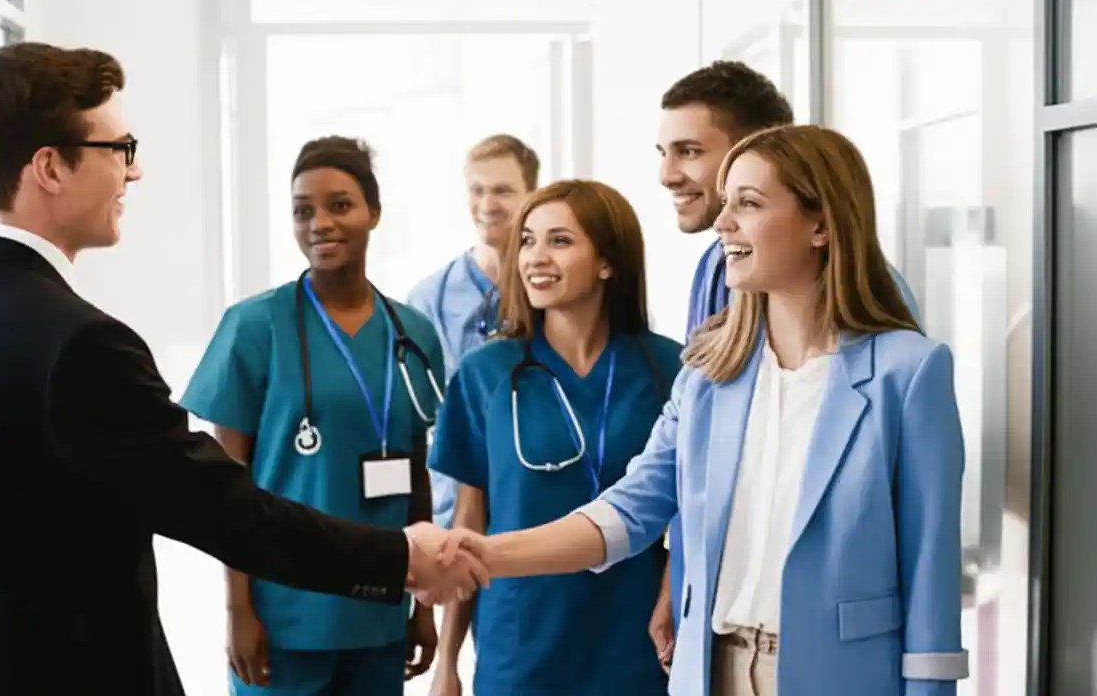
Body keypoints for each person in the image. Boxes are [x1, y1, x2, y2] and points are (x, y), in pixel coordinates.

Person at [0, 43, 482, 696]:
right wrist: (401, 558)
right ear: (50, 167)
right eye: (119, 149)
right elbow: (224, 510)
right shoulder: (81, 345)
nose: (133, 172)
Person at [440, 125, 967, 696]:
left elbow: (930, 570)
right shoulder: (708, 376)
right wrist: (484, 553)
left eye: (749, 204)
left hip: (842, 678)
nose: (723, 223)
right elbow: (627, 511)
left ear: (821, 224)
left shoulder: (907, 373)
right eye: (726, 203)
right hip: (713, 670)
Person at [651, 61, 922, 667]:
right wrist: (683, 576)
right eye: (664, 152)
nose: (668, 173)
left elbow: (885, 507)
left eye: (690, 151)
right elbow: (708, 463)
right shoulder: (716, 272)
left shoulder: (883, 333)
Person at [181, 136, 447, 696]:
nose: (320, 223)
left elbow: (417, 475)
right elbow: (223, 488)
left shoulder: (414, 335)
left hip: (379, 613)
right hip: (283, 617)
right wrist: (237, 609)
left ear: (374, 212)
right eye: (303, 211)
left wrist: (424, 606)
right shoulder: (255, 326)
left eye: (340, 205)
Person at [427, 180, 682, 695]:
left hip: (634, 638)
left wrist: (673, 591)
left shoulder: (668, 368)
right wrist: (446, 662)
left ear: (608, 261)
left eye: (560, 241)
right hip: (521, 639)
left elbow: (692, 509)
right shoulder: (485, 374)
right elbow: (469, 520)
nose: (535, 258)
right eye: (527, 241)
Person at [407, 134, 540, 530]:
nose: (487, 204)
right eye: (477, 190)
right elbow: (418, 414)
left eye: (502, 191)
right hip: (453, 508)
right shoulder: (430, 300)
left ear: (533, 195)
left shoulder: (553, 286)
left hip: (536, 496)